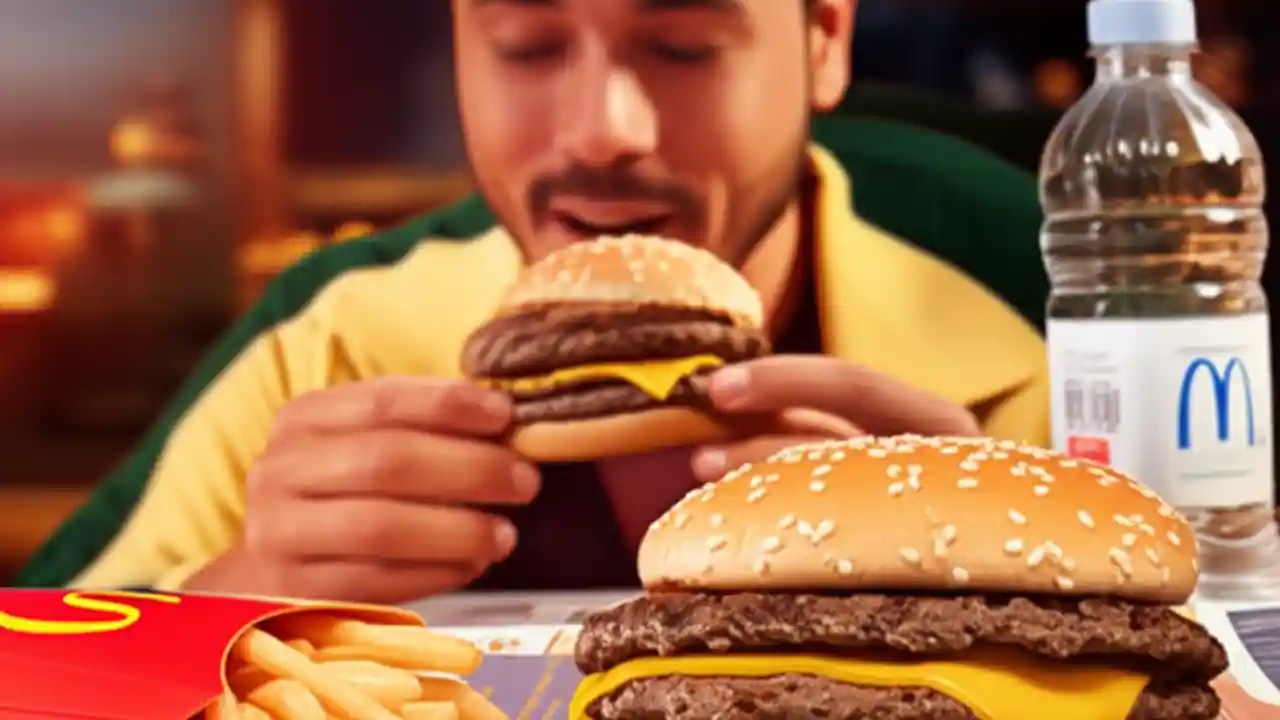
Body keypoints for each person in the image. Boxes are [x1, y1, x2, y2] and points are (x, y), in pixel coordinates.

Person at [22, 0, 1049, 602]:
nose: (602, 129)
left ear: (823, 38)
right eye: (525, 45)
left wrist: (994, 617)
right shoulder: (327, 341)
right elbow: (59, 673)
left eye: (682, 46)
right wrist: (245, 588)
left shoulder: (1029, 344)